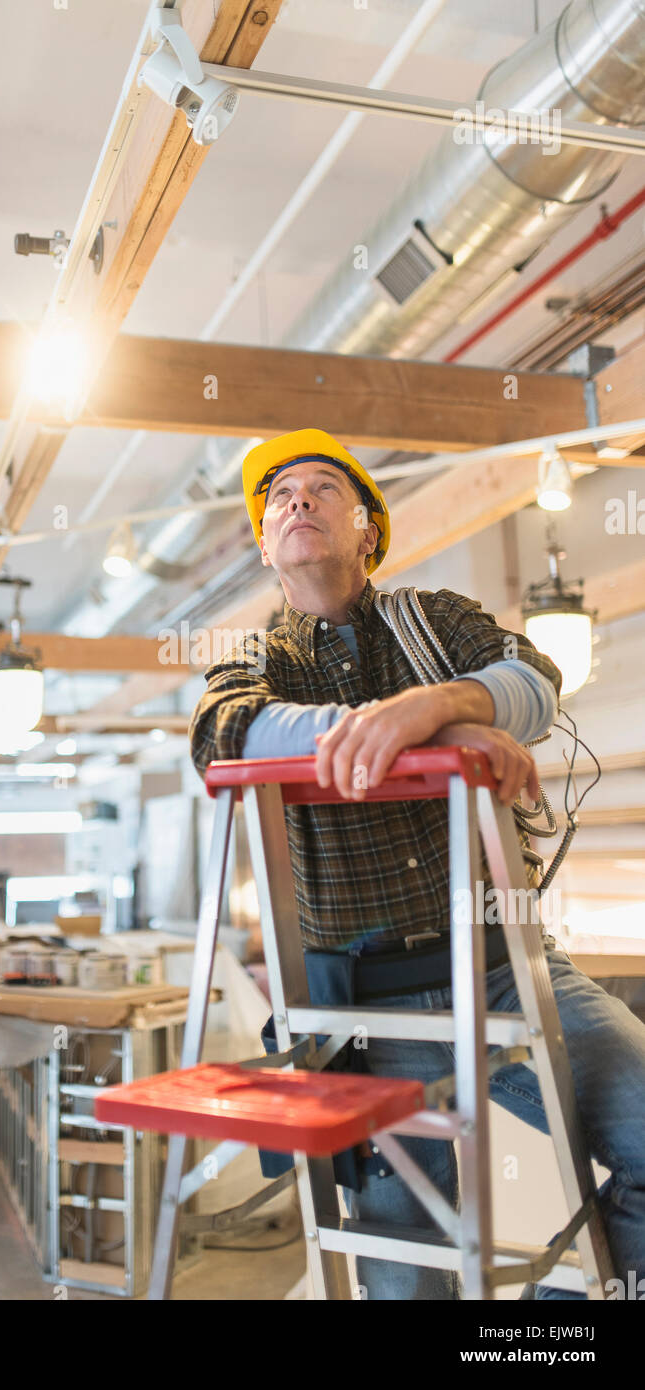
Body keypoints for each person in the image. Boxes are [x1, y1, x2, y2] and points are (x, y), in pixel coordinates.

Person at [188, 428, 645, 1300]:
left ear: (367, 529)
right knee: (406, 1282)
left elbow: (535, 681)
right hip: (364, 1009)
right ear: (262, 543)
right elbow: (221, 737)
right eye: (277, 495)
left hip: (509, 971)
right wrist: (441, 733)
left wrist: (435, 702)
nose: (295, 500)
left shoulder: (435, 622)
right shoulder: (255, 661)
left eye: (321, 487)